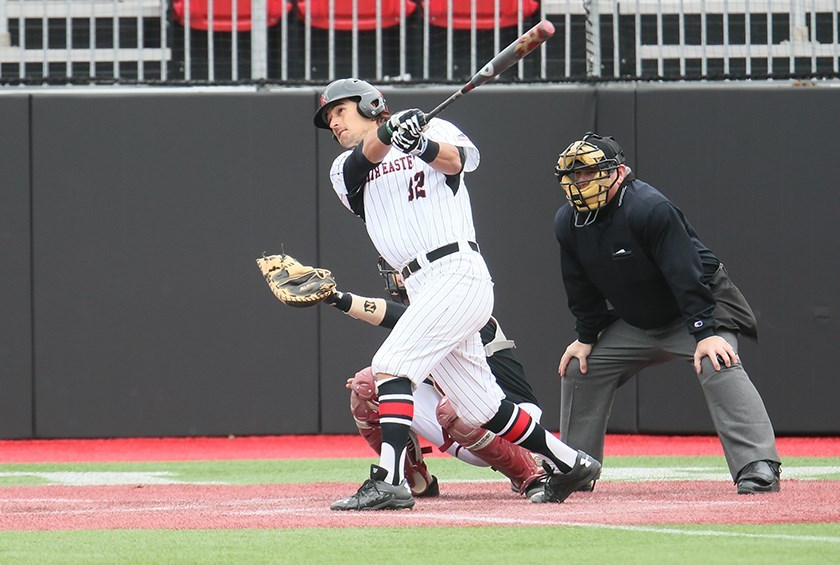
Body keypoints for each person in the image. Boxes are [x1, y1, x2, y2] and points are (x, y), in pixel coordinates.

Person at [314, 78, 600, 510]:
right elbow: (363, 161)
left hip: (455, 269)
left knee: (390, 366)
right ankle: (571, 462)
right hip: (419, 283)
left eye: (340, 111)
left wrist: (421, 144)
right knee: (482, 406)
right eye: (329, 118)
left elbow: (457, 162)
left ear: (371, 103)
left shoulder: (435, 128)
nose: (334, 123)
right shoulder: (342, 168)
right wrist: (390, 134)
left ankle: (390, 481)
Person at [552, 132, 782, 495]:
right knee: (582, 367)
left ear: (619, 173)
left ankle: (758, 464)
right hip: (638, 321)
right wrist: (586, 336)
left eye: (590, 172)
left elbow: (685, 273)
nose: (581, 182)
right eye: (575, 175)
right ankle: (576, 467)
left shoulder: (649, 208)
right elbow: (579, 285)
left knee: (717, 361)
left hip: (699, 309)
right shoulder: (567, 221)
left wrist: (704, 332)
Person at [324, 257, 546, 499]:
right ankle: (414, 481)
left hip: (513, 422)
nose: (399, 276)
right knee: (367, 386)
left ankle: (529, 471)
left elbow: (397, 316)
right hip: (461, 420)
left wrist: (339, 299)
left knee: (455, 407)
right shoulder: (421, 323)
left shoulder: (463, 306)